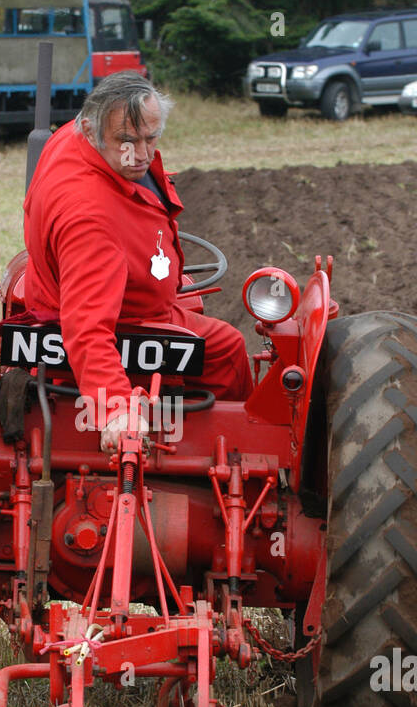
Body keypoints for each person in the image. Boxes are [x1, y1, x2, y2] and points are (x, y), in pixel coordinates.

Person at [23, 71, 253, 452]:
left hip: (72, 288)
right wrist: (116, 406)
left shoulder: (72, 136)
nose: (142, 154)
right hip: (130, 318)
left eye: (151, 138)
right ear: (90, 128)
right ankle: (232, 447)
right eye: (126, 141)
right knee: (227, 347)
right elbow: (87, 324)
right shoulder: (90, 219)